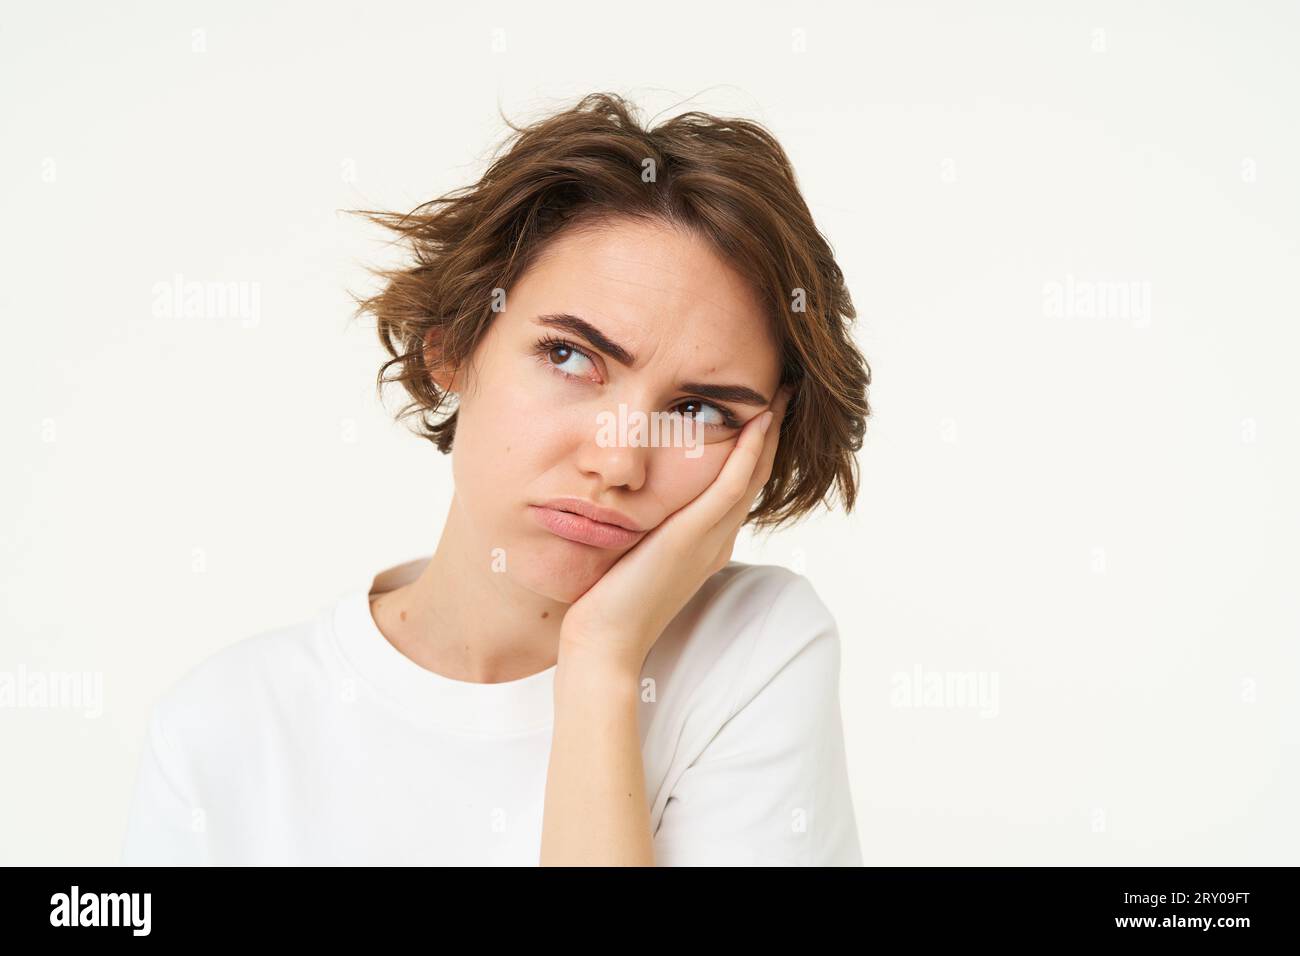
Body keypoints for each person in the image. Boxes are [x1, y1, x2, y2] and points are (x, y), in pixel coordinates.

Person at [121, 92, 872, 866]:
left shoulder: (752, 653)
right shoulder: (225, 729)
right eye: (570, 357)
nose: (618, 462)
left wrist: (602, 661)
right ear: (451, 348)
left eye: (699, 408)